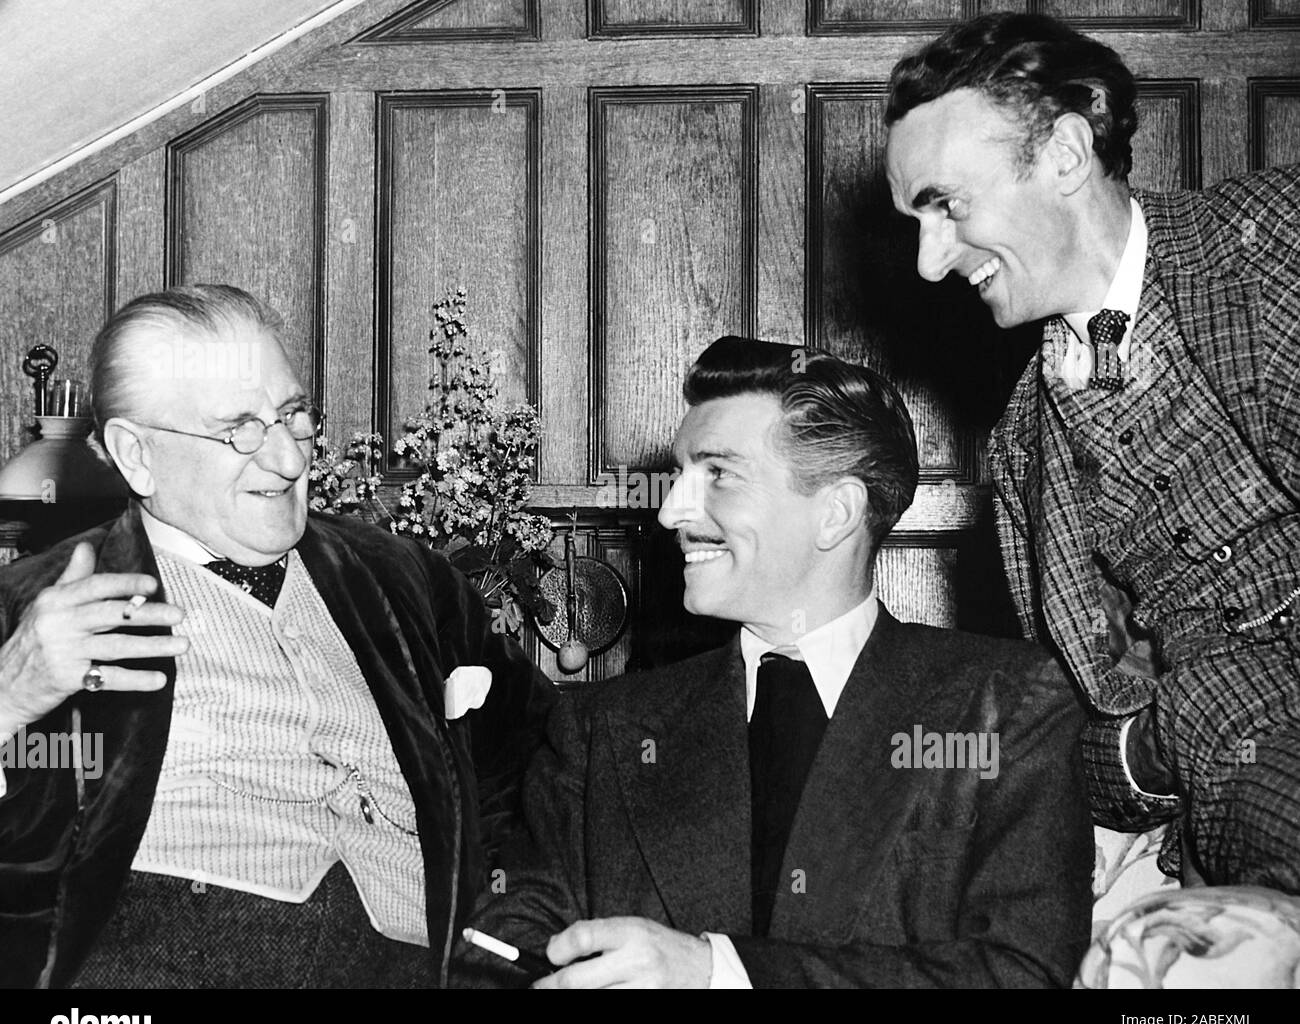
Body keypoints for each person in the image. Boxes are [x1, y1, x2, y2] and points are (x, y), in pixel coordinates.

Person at [455, 337, 1092, 988]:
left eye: (718, 475)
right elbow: (500, 947)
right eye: (678, 477)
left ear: (836, 513)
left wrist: (719, 973)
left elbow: (1020, 973)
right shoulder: (600, 731)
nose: (672, 510)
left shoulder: (1008, 707)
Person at [0, 284, 555, 988]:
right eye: (239, 430)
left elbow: (548, 756)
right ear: (136, 454)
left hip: (420, 963)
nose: (291, 462)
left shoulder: (396, 575)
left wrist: (506, 925)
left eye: (292, 416)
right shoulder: (31, 604)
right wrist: (9, 699)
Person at [884, 12, 1300, 892]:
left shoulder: (1274, 245)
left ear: (1067, 154)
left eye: (947, 206)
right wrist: (1166, 740)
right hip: (1235, 817)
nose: (929, 263)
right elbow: (1086, 744)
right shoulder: (1022, 446)